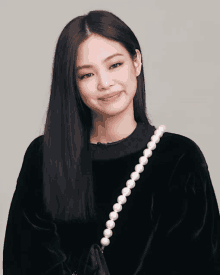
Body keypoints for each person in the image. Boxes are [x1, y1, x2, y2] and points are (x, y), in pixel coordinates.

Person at [3, 9, 220, 275]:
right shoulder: (43, 156)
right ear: (73, 84)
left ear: (136, 61)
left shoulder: (180, 158)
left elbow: (201, 265)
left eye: (115, 65)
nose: (105, 83)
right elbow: (21, 262)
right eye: (86, 75)